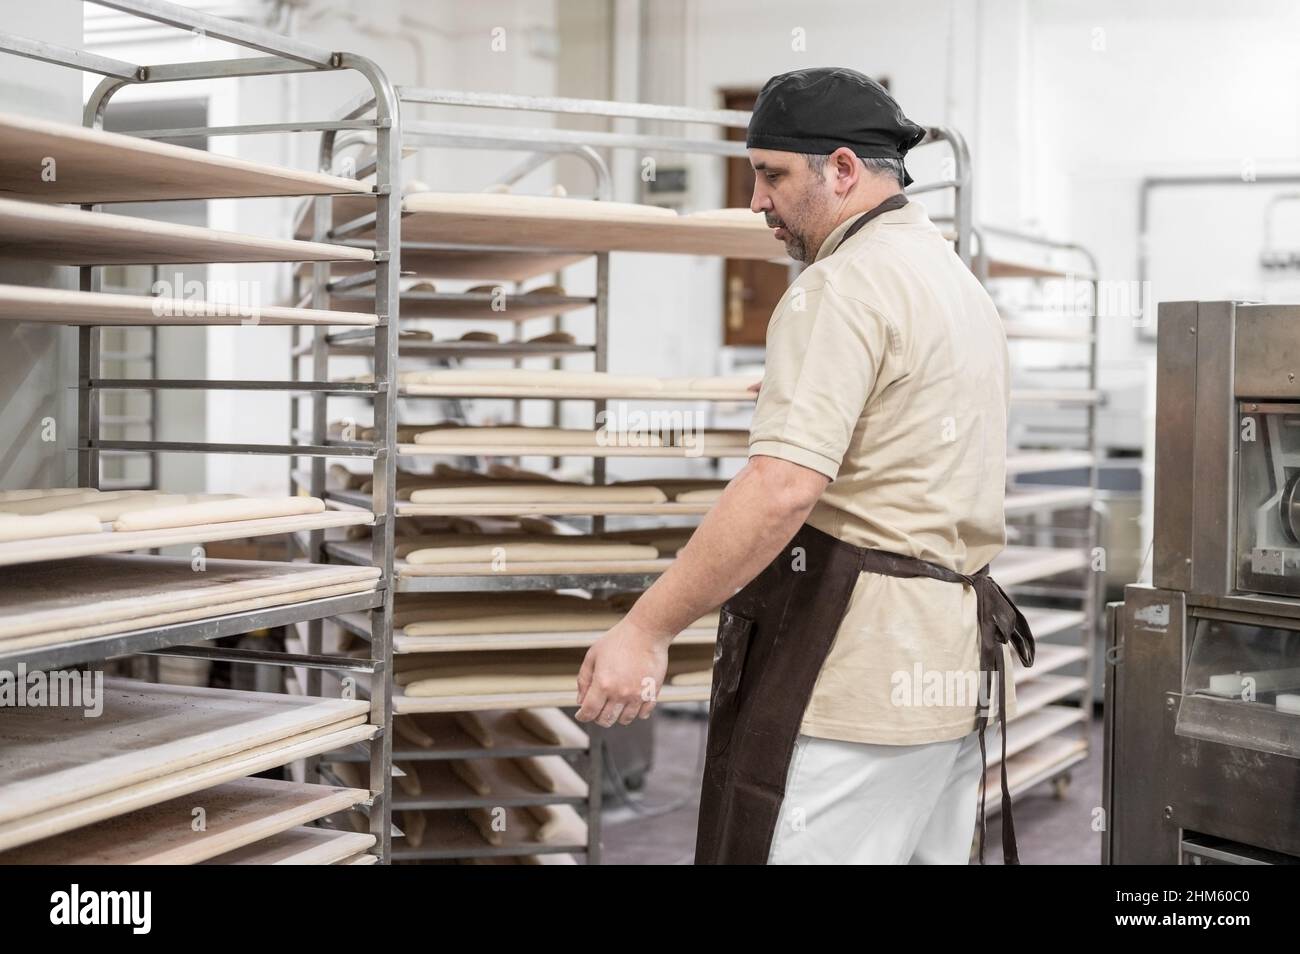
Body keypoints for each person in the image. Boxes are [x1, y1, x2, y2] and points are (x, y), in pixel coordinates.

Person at [575, 67, 1034, 865]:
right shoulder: (953, 281)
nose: (757, 201)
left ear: (844, 169)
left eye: (772, 174)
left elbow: (781, 490)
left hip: (854, 683)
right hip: (948, 674)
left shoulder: (841, 288)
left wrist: (647, 628)